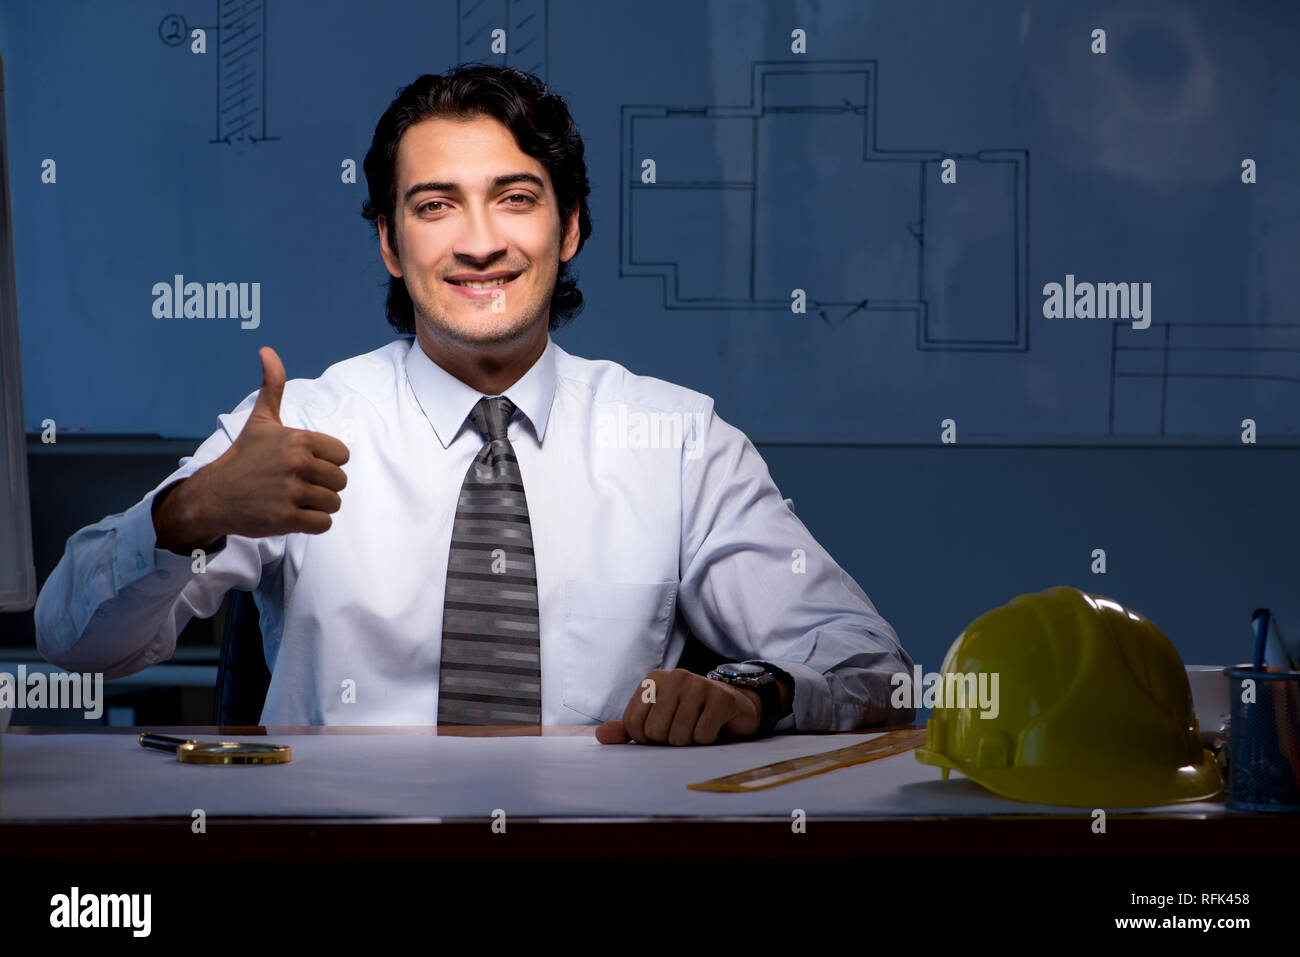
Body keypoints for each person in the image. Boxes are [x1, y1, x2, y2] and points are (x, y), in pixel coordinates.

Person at [34, 63, 914, 744]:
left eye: (516, 198)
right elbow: (75, 641)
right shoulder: (300, 424)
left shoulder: (678, 439)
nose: (481, 242)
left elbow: (875, 667)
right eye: (435, 206)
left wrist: (749, 693)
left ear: (568, 228)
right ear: (389, 241)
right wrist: (188, 512)